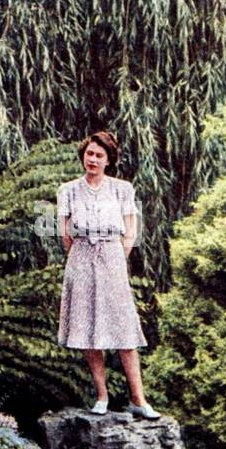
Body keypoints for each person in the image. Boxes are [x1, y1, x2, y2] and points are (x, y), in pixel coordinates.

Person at [56, 131, 160, 419]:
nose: (93, 159)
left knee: (124, 328)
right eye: (89, 154)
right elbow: (64, 233)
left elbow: (131, 231)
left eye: (99, 155)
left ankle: (138, 399)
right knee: (88, 327)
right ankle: (102, 396)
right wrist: (81, 256)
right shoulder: (68, 190)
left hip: (113, 256)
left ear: (109, 160)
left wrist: (116, 257)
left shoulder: (122, 189)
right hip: (80, 257)